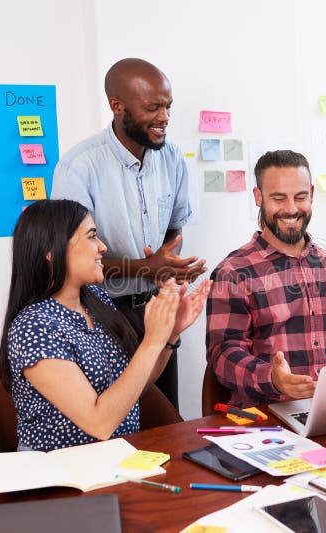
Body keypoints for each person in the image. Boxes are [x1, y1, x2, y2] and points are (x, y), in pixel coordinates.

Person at [52, 58, 206, 410]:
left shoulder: (173, 158)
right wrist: (145, 267)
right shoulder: (79, 166)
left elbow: (173, 228)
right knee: (113, 419)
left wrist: (168, 265)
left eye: (167, 106)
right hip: (102, 315)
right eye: (152, 107)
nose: (164, 117)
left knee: (163, 416)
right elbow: (71, 258)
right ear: (117, 106)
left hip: (157, 307)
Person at [0, 199, 210, 452]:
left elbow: (132, 387)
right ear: (50, 251)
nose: (102, 247)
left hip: (116, 459)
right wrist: (152, 340)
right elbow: (99, 423)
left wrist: (170, 334)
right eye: (91, 237)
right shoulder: (33, 327)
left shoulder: (96, 298)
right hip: (57, 471)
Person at [206, 150, 326, 408]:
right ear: (258, 197)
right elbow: (223, 355)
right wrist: (273, 378)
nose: (291, 209)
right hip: (270, 418)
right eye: (278, 198)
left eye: (300, 197)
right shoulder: (233, 273)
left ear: (311, 193)